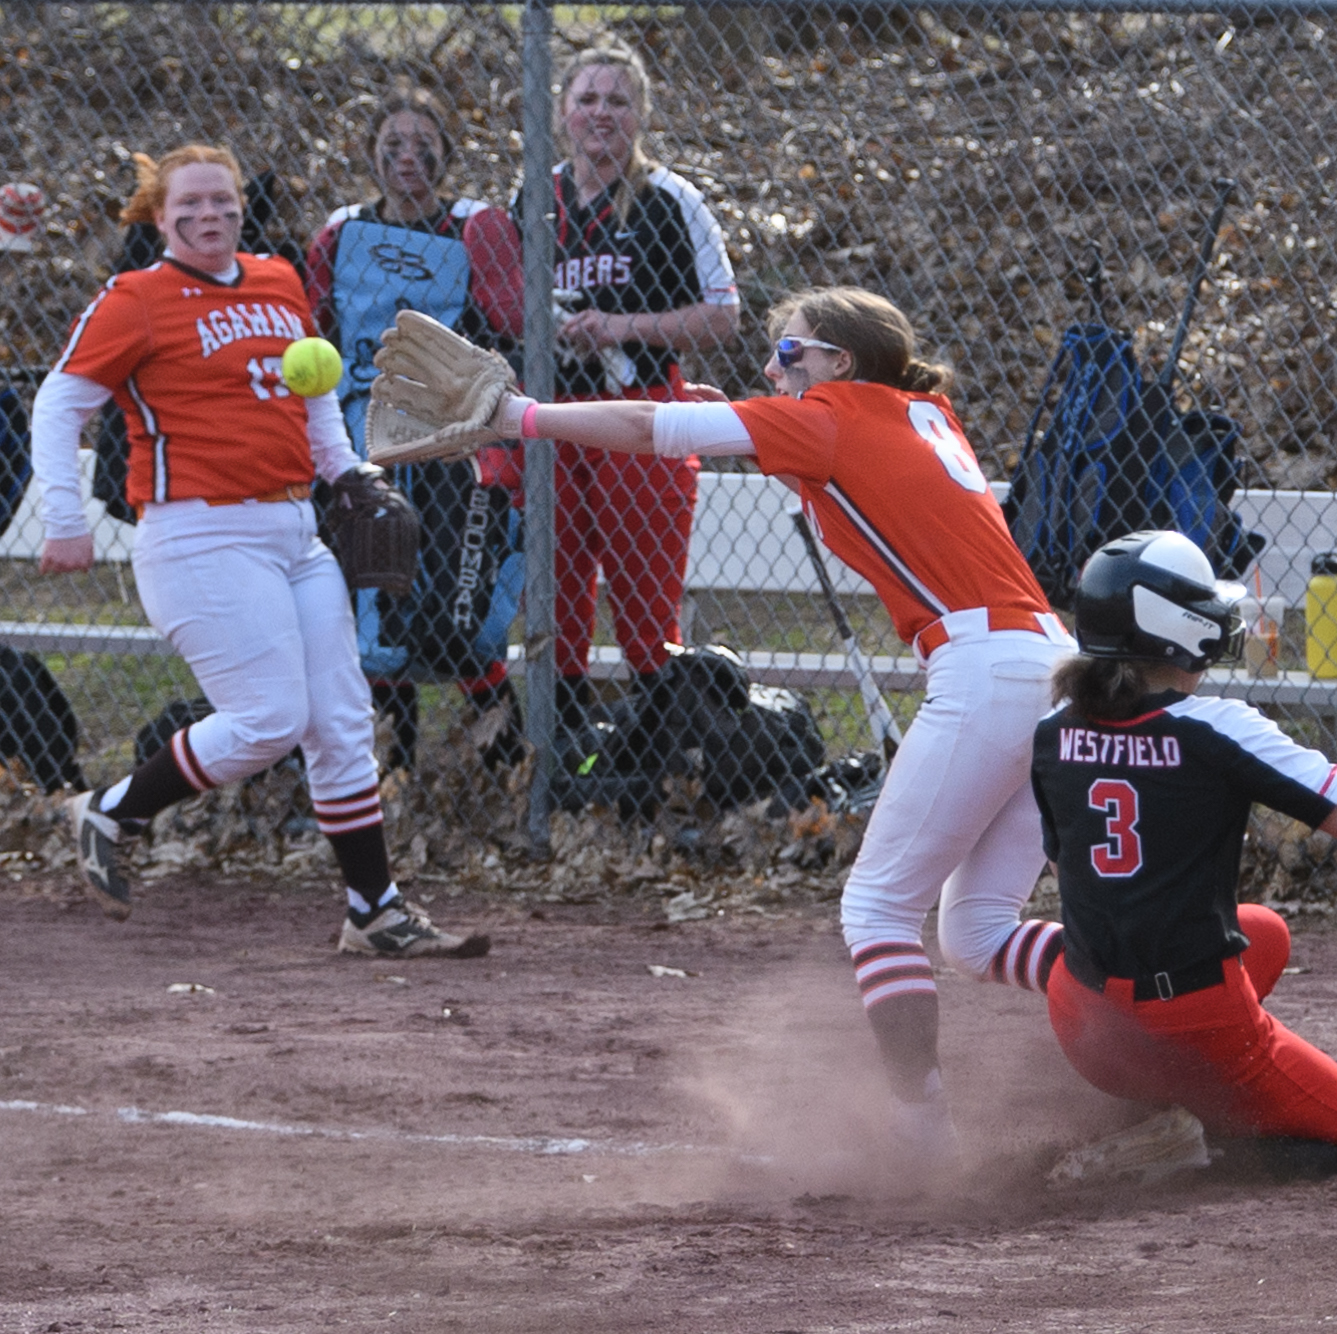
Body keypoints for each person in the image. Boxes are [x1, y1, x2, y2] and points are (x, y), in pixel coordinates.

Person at [369, 286, 1078, 1161]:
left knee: (877, 908)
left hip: (985, 674)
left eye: (792, 355)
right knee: (977, 934)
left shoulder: (826, 420)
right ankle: (1152, 1011)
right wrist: (757, 416)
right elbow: (860, 468)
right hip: (1054, 672)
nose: (774, 368)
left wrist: (521, 414)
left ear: (839, 365)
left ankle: (923, 1131)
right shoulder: (924, 411)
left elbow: (648, 433)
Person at [30, 142, 488, 959]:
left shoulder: (277, 280)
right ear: (159, 215)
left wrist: (347, 474)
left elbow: (312, 397)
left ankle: (375, 911)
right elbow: (60, 401)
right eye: (189, 204)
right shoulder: (136, 298)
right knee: (270, 718)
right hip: (198, 534)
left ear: (242, 206)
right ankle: (113, 807)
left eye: (222, 200)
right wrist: (64, 516)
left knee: (343, 722)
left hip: (294, 532)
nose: (208, 215)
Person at [1032, 531, 1337, 1178]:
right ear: (1173, 628)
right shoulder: (1214, 726)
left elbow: (1069, 870)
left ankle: (1159, 1103)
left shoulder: (1051, 732)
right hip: (1187, 1019)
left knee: (1266, 934)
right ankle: (1191, 1148)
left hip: (1083, 1019)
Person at [303, 88, 526, 773]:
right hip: (359, 440)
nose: (408, 156)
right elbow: (312, 330)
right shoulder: (340, 233)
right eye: (392, 142)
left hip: (448, 441)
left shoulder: (474, 227)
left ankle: (512, 755)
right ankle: (385, 766)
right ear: (370, 154)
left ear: (446, 152)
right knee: (374, 604)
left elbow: (515, 330)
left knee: (446, 614)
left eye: (423, 141)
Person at [526, 44, 741, 731]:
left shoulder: (670, 200)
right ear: (562, 111)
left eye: (617, 101)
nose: (601, 114)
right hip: (553, 419)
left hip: (643, 418)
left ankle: (660, 754)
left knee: (645, 603)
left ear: (641, 113)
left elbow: (723, 315)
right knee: (555, 595)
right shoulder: (534, 200)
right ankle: (565, 751)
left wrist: (620, 327)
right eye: (587, 99)